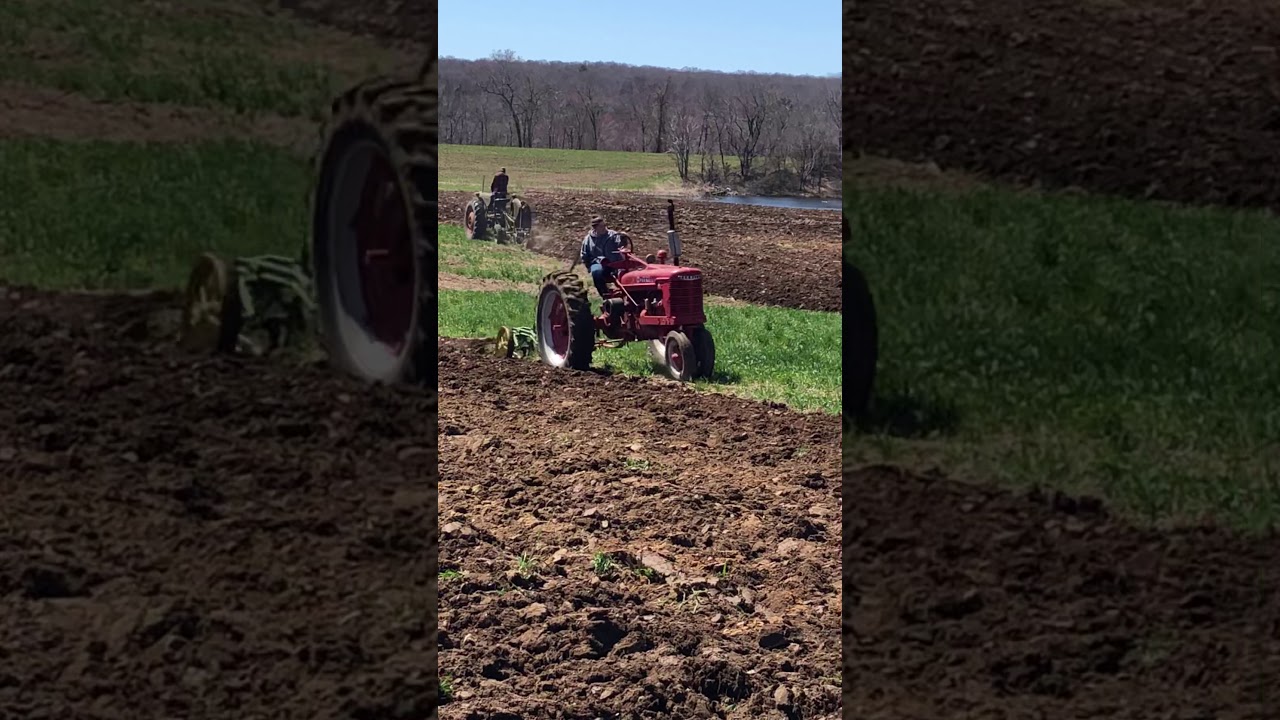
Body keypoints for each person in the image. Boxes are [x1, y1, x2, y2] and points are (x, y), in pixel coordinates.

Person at [581, 216, 625, 298]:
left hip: (614, 262)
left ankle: (626, 294)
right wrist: (589, 266)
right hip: (598, 263)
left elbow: (620, 243)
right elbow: (584, 255)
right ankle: (605, 294)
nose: (604, 228)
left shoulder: (613, 235)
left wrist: (623, 239)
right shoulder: (588, 239)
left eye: (605, 225)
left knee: (626, 272)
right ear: (595, 228)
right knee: (596, 271)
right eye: (601, 226)